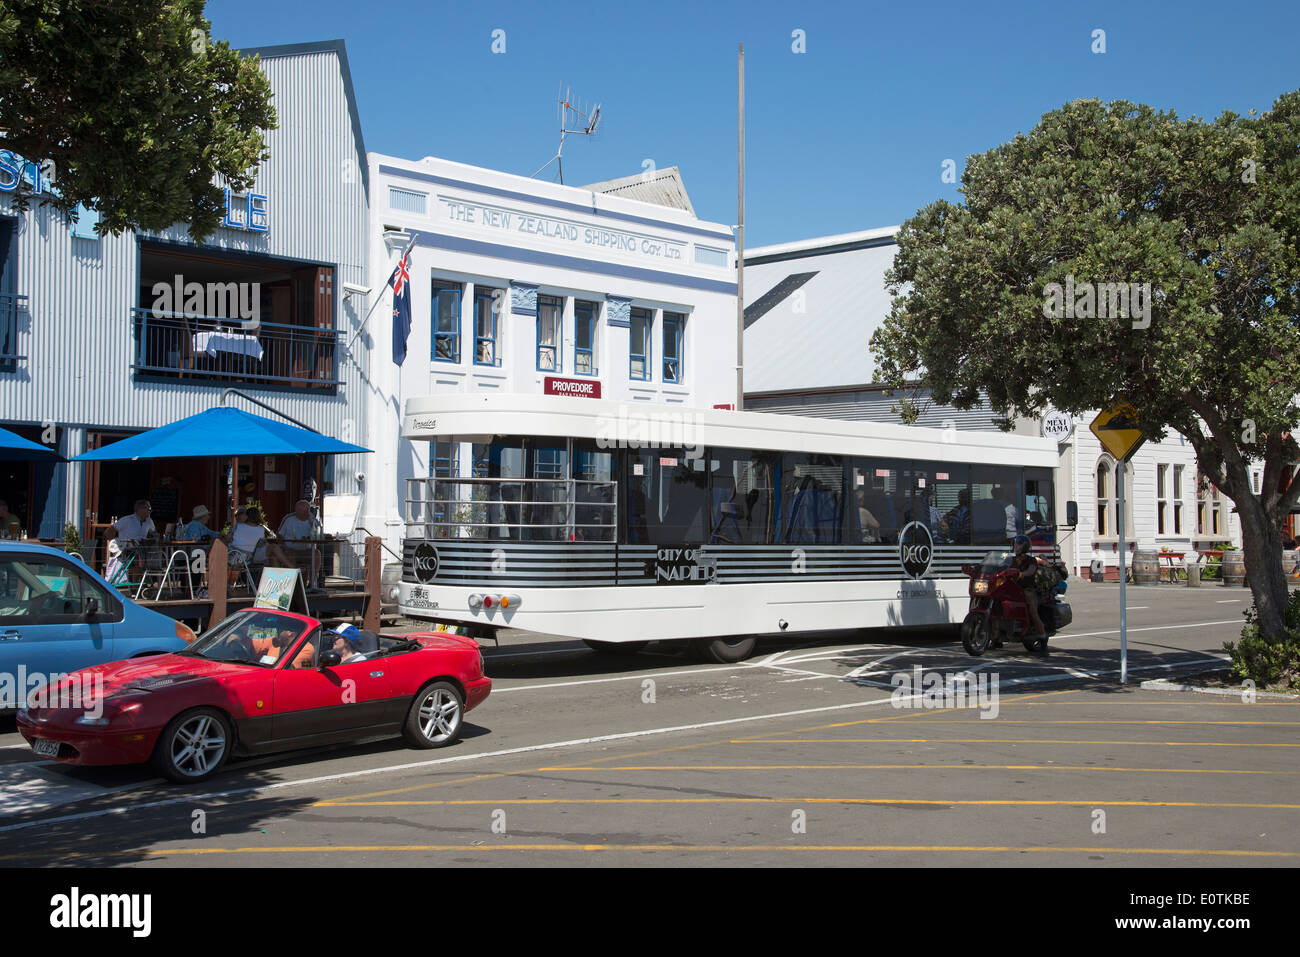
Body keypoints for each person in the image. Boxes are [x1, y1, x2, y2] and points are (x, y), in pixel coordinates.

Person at [104, 500, 155, 582]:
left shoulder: (149, 521)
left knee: (155, 556)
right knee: (138, 559)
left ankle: (140, 584)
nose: (150, 511)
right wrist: (116, 544)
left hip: (143, 549)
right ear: (140, 510)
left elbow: (153, 533)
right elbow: (108, 532)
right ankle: (136, 585)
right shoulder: (127, 520)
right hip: (128, 550)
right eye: (148, 509)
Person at [277, 499, 324, 590]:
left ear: (307, 511)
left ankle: (312, 583)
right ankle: (293, 585)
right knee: (290, 555)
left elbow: (318, 535)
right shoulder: (289, 520)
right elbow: (279, 535)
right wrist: (283, 546)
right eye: (296, 509)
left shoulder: (313, 521)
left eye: (299, 509)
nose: (296, 511)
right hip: (290, 549)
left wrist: (311, 522)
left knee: (317, 554)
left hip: (306, 550)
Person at [1011, 534, 1049, 641]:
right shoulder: (1012, 560)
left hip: (1027, 589)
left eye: (1018, 545)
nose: (1015, 547)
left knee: (1032, 611)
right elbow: (1000, 567)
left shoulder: (1031, 560)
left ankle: (1042, 635)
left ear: (1024, 547)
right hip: (1013, 588)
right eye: (1015, 545)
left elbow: (1031, 570)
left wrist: (1023, 574)